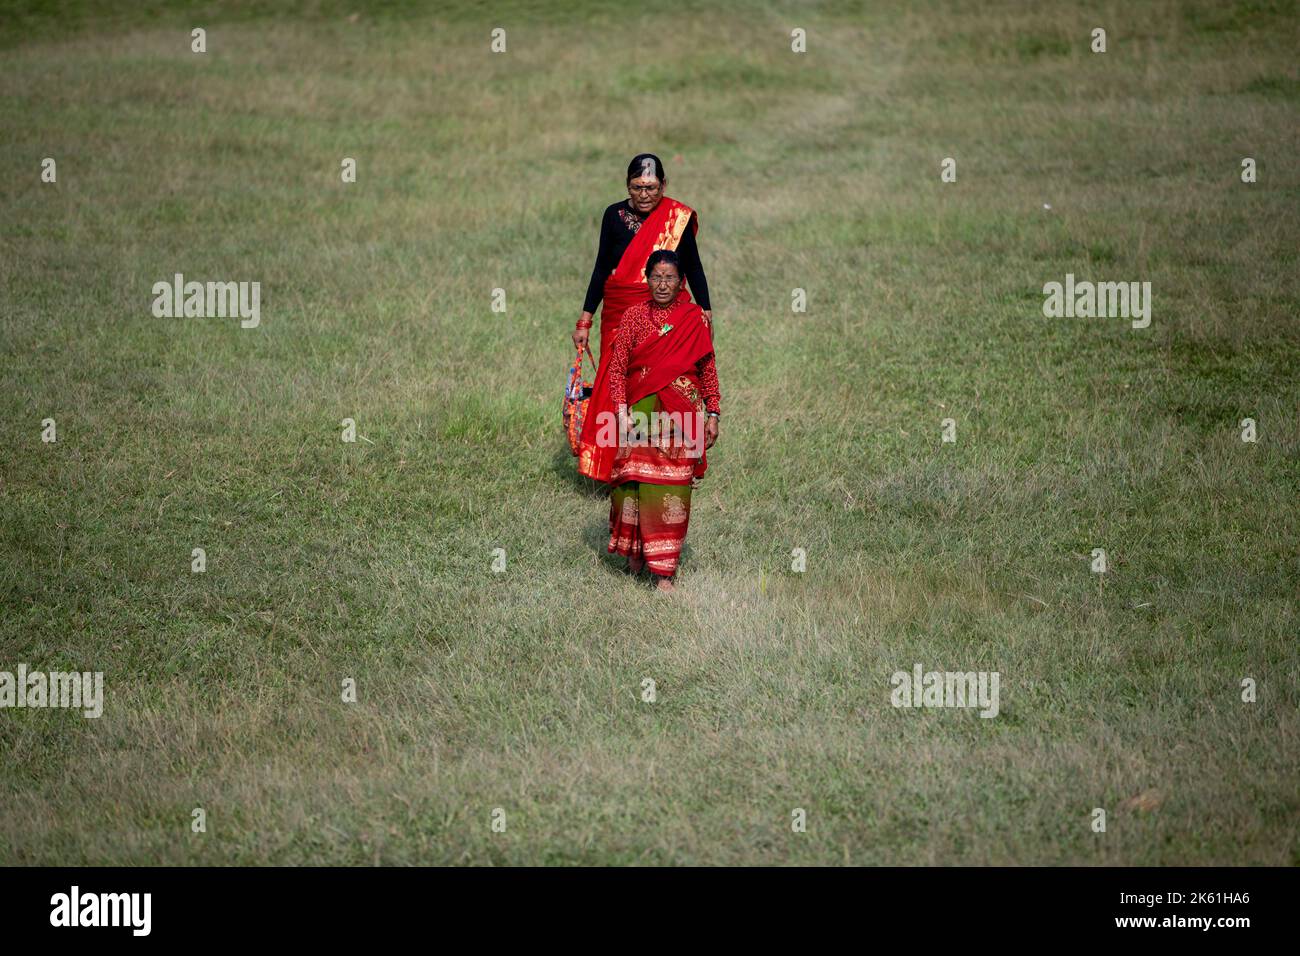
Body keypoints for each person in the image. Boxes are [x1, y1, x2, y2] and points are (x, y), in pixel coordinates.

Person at [573, 153, 711, 483]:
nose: (644, 195)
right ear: (627, 186)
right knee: (617, 384)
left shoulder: (676, 217)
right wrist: (585, 319)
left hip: (665, 314)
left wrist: (705, 311)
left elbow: (692, 266)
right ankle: (613, 468)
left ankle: (670, 463)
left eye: (651, 187)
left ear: (663, 185)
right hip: (619, 315)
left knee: (665, 382)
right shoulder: (613, 216)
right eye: (637, 187)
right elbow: (601, 268)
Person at [604, 250, 720, 591]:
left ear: (681, 282)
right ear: (647, 279)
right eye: (656, 277)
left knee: (672, 490)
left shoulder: (694, 317)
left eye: (670, 278)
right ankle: (635, 554)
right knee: (631, 486)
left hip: (682, 413)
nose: (663, 284)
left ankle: (664, 572)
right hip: (640, 411)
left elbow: (708, 367)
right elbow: (617, 366)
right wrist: (622, 412)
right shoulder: (633, 316)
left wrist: (713, 411)